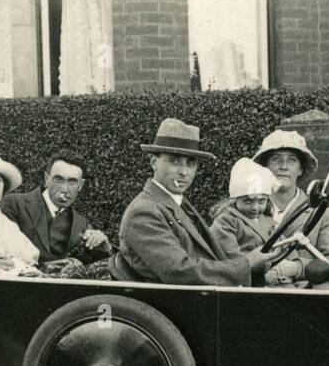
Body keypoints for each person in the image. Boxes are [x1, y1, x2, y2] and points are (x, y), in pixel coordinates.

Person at [113, 119, 281, 287]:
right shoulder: (144, 211)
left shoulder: (176, 203)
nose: (184, 172)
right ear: (153, 162)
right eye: (174, 161)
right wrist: (247, 263)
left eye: (191, 163)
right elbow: (178, 270)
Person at [253, 128, 329, 287]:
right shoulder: (250, 208)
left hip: (302, 301)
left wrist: (296, 268)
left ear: (301, 169)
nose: (284, 167)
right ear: (265, 167)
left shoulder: (322, 215)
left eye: (292, 160)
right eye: (276, 159)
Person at [0, 151, 113, 266]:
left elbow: (89, 266)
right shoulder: (14, 204)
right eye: (59, 180)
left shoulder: (81, 224)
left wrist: (104, 249)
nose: (64, 189)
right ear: (46, 179)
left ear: (81, 185)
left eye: (72, 182)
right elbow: (2, 250)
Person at [207, 158, 301, 288]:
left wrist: (287, 271)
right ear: (235, 200)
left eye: (261, 201)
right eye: (248, 201)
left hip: (272, 277)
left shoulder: (268, 222)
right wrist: (263, 273)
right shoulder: (226, 222)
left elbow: (284, 246)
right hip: (244, 282)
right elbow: (232, 258)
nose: (255, 208)